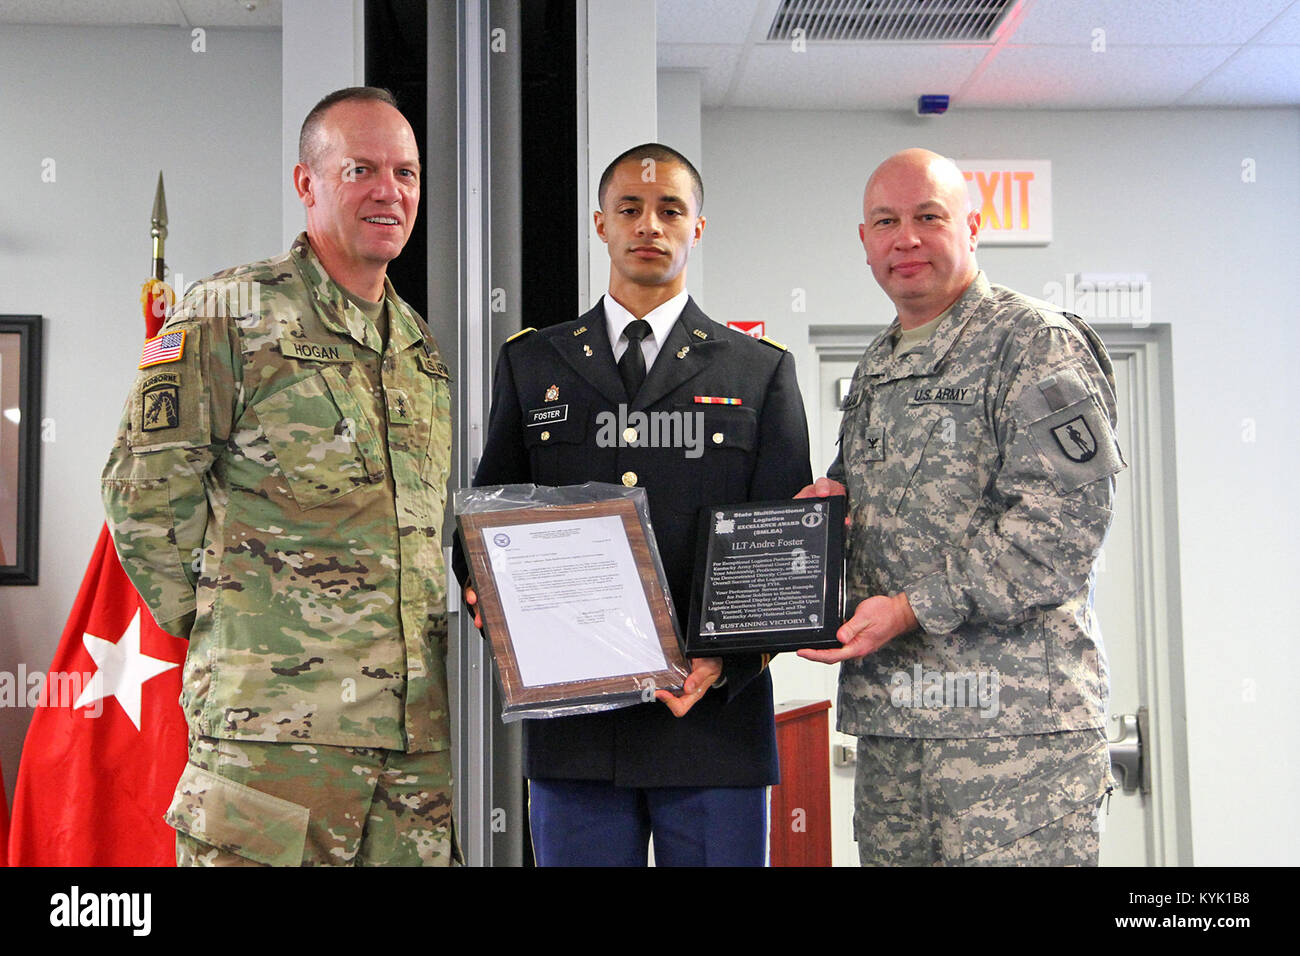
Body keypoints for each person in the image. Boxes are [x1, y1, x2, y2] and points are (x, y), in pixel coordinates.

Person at [101, 87, 456, 866]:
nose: (388, 191)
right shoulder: (230, 312)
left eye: (406, 173)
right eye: (361, 168)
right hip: (270, 745)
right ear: (307, 182)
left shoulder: (419, 350)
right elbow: (144, 495)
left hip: (410, 753)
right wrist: (234, 629)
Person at [459, 144, 811, 866]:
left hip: (715, 728)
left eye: (670, 209)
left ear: (698, 229)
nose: (649, 224)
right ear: (601, 224)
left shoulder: (759, 370)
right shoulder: (534, 363)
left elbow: (786, 543)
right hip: (580, 734)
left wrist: (724, 660)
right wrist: (490, 596)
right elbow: (483, 518)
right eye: (630, 209)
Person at [798, 148, 1123, 866]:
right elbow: (873, 499)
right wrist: (829, 507)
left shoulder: (1034, 342)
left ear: (972, 227)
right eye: (886, 221)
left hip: (1016, 739)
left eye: (928, 217)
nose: (905, 238)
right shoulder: (879, 363)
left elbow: (1062, 532)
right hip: (896, 731)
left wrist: (912, 607)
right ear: (865, 242)